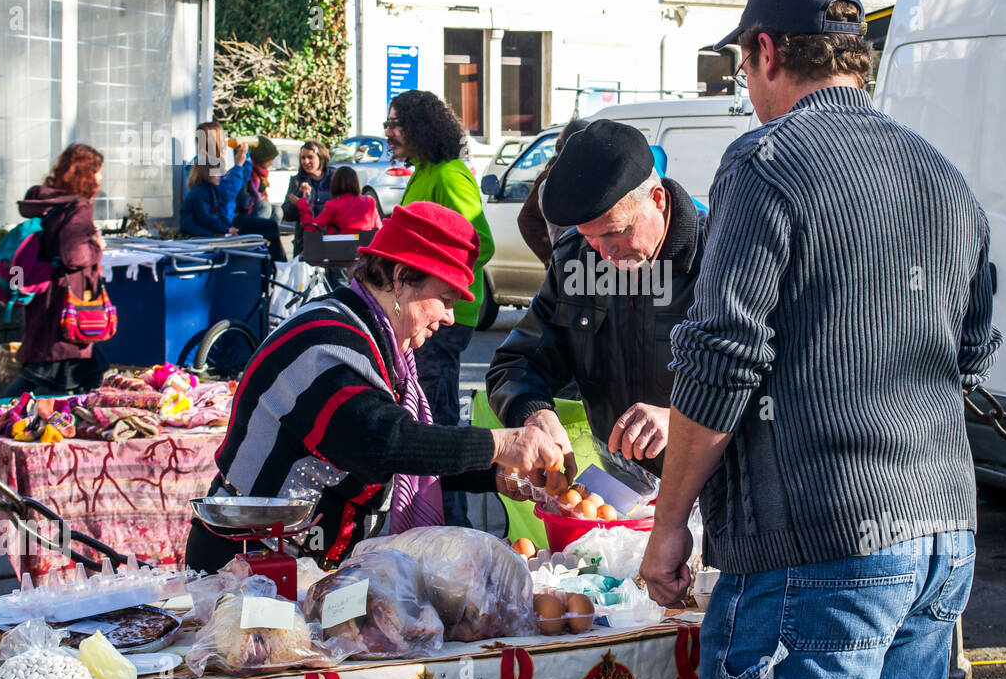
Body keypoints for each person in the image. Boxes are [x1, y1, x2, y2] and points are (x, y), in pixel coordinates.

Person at [638, 0, 1003, 679]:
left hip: (818, 544)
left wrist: (669, 522)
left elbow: (719, 361)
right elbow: (971, 353)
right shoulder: (945, 176)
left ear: (766, 51)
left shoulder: (766, 161)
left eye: (742, 62)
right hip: (939, 536)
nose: (747, 82)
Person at [184, 201, 563, 573]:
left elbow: (409, 451)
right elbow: (381, 442)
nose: (450, 317)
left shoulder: (377, 345)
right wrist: (501, 445)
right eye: (445, 299)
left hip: (304, 564)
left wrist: (492, 474)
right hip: (245, 564)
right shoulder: (327, 342)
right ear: (400, 278)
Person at [486, 119, 708, 493]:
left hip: (715, 492)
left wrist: (684, 419)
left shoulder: (721, 255)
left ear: (657, 200)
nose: (605, 253)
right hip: (620, 488)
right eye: (591, 238)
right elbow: (517, 363)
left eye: (615, 231)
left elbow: (776, 380)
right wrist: (534, 414)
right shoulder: (577, 259)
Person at [386, 90, 495, 528]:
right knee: (426, 412)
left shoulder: (450, 176)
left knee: (438, 424)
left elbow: (479, 243)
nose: (390, 133)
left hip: (443, 319)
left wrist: (435, 277)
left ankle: (453, 531)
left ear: (421, 127)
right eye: (388, 124)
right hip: (418, 311)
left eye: (397, 124)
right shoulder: (425, 171)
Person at [3, 144, 107, 397]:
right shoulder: (79, 207)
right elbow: (74, 255)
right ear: (86, 174)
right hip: (68, 303)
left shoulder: (50, 204)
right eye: (98, 171)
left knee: (54, 372)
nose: (101, 178)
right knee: (53, 374)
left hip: (46, 299)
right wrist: (96, 245)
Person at [180, 125, 286, 261]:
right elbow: (227, 193)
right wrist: (238, 165)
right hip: (220, 223)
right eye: (222, 137)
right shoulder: (203, 163)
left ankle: (278, 268)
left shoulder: (215, 162)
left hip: (226, 219)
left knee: (270, 228)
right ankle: (277, 268)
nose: (225, 141)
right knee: (266, 230)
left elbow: (240, 181)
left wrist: (244, 158)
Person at [516, 118, 589, 266]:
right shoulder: (551, 178)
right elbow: (526, 219)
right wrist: (551, 255)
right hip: (569, 263)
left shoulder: (594, 172)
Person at [297, 166, 383, 290]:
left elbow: (311, 227)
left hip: (339, 258)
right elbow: (378, 228)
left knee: (340, 291)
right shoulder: (369, 202)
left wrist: (303, 204)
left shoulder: (333, 206)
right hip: (365, 258)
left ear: (335, 184)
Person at [282, 140, 335, 256]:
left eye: (310, 157)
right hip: (307, 241)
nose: (306, 161)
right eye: (303, 158)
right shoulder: (297, 181)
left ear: (321, 157)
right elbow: (287, 214)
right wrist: (300, 198)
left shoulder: (335, 177)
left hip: (333, 239)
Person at [235, 135, 279, 221]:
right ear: (261, 159)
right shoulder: (246, 171)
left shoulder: (261, 174)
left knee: (277, 210)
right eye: (269, 160)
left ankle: (270, 233)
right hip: (244, 211)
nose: (271, 163)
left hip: (254, 208)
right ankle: (258, 232)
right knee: (264, 206)